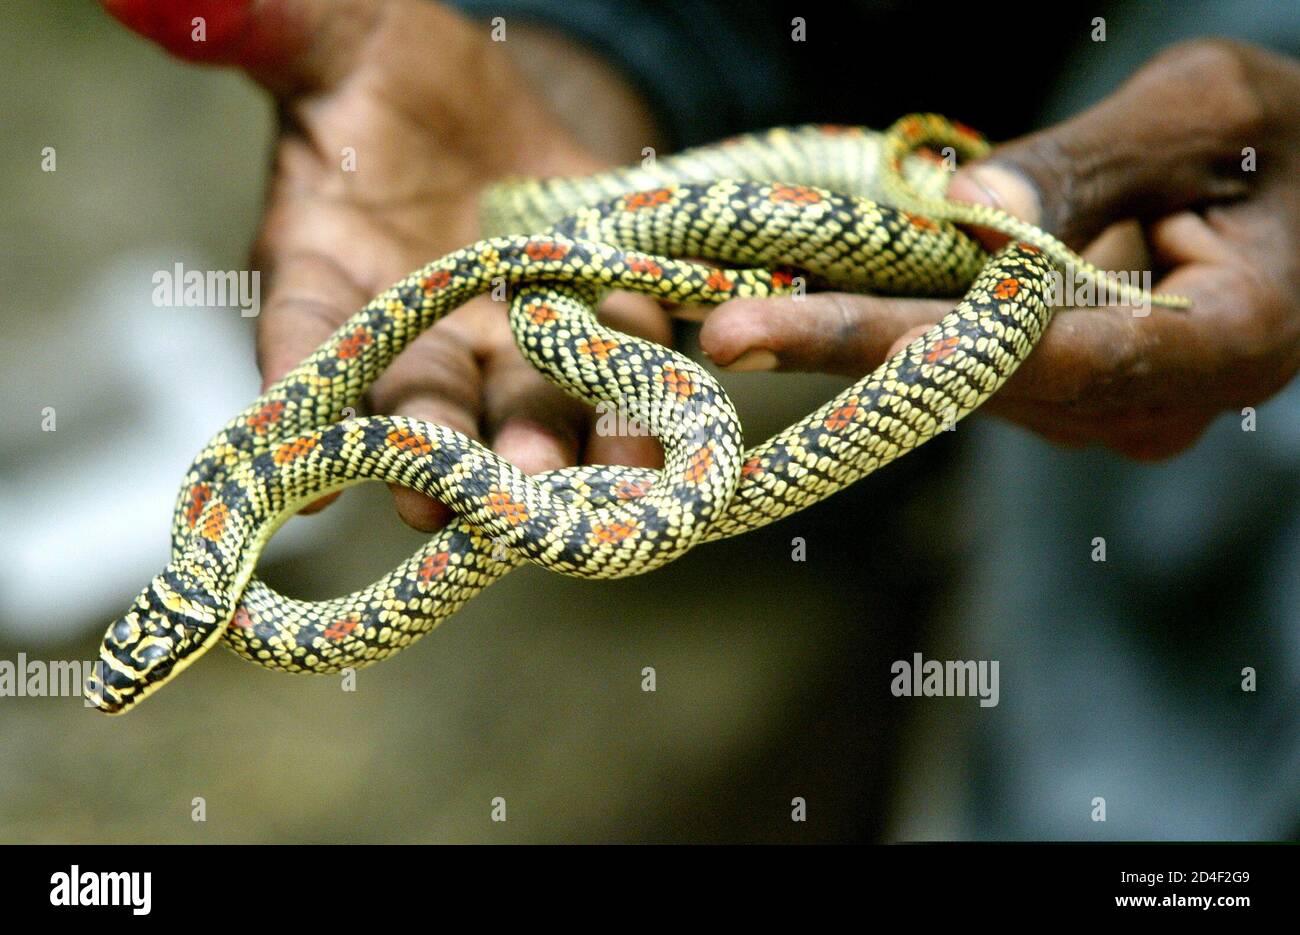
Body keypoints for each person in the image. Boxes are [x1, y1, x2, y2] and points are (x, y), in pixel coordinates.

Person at [101, 0, 1300, 838]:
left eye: (141, 662)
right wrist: (610, 50)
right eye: (142, 665)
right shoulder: (242, 532)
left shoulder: (258, 505)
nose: (129, 681)